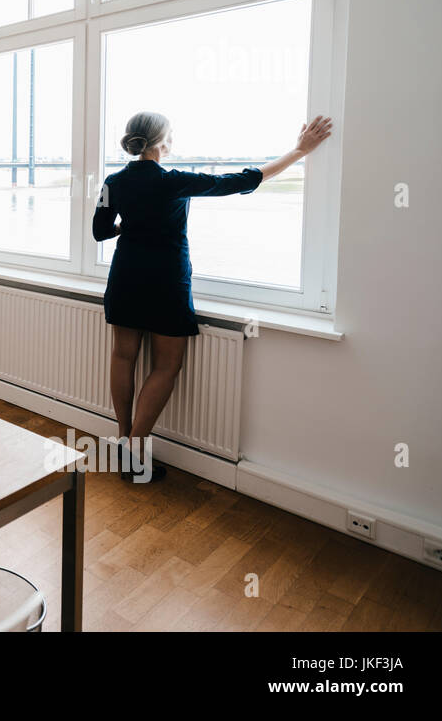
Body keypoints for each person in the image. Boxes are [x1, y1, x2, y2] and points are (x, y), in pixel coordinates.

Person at [93, 111, 333, 482]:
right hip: (165, 283)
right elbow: (241, 181)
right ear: (162, 143)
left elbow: (100, 231)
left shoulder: (114, 181)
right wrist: (300, 151)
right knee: (166, 366)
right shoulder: (174, 182)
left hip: (125, 278)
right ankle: (134, 450)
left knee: (123, 356)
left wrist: (132, 223)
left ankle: (123, 438)